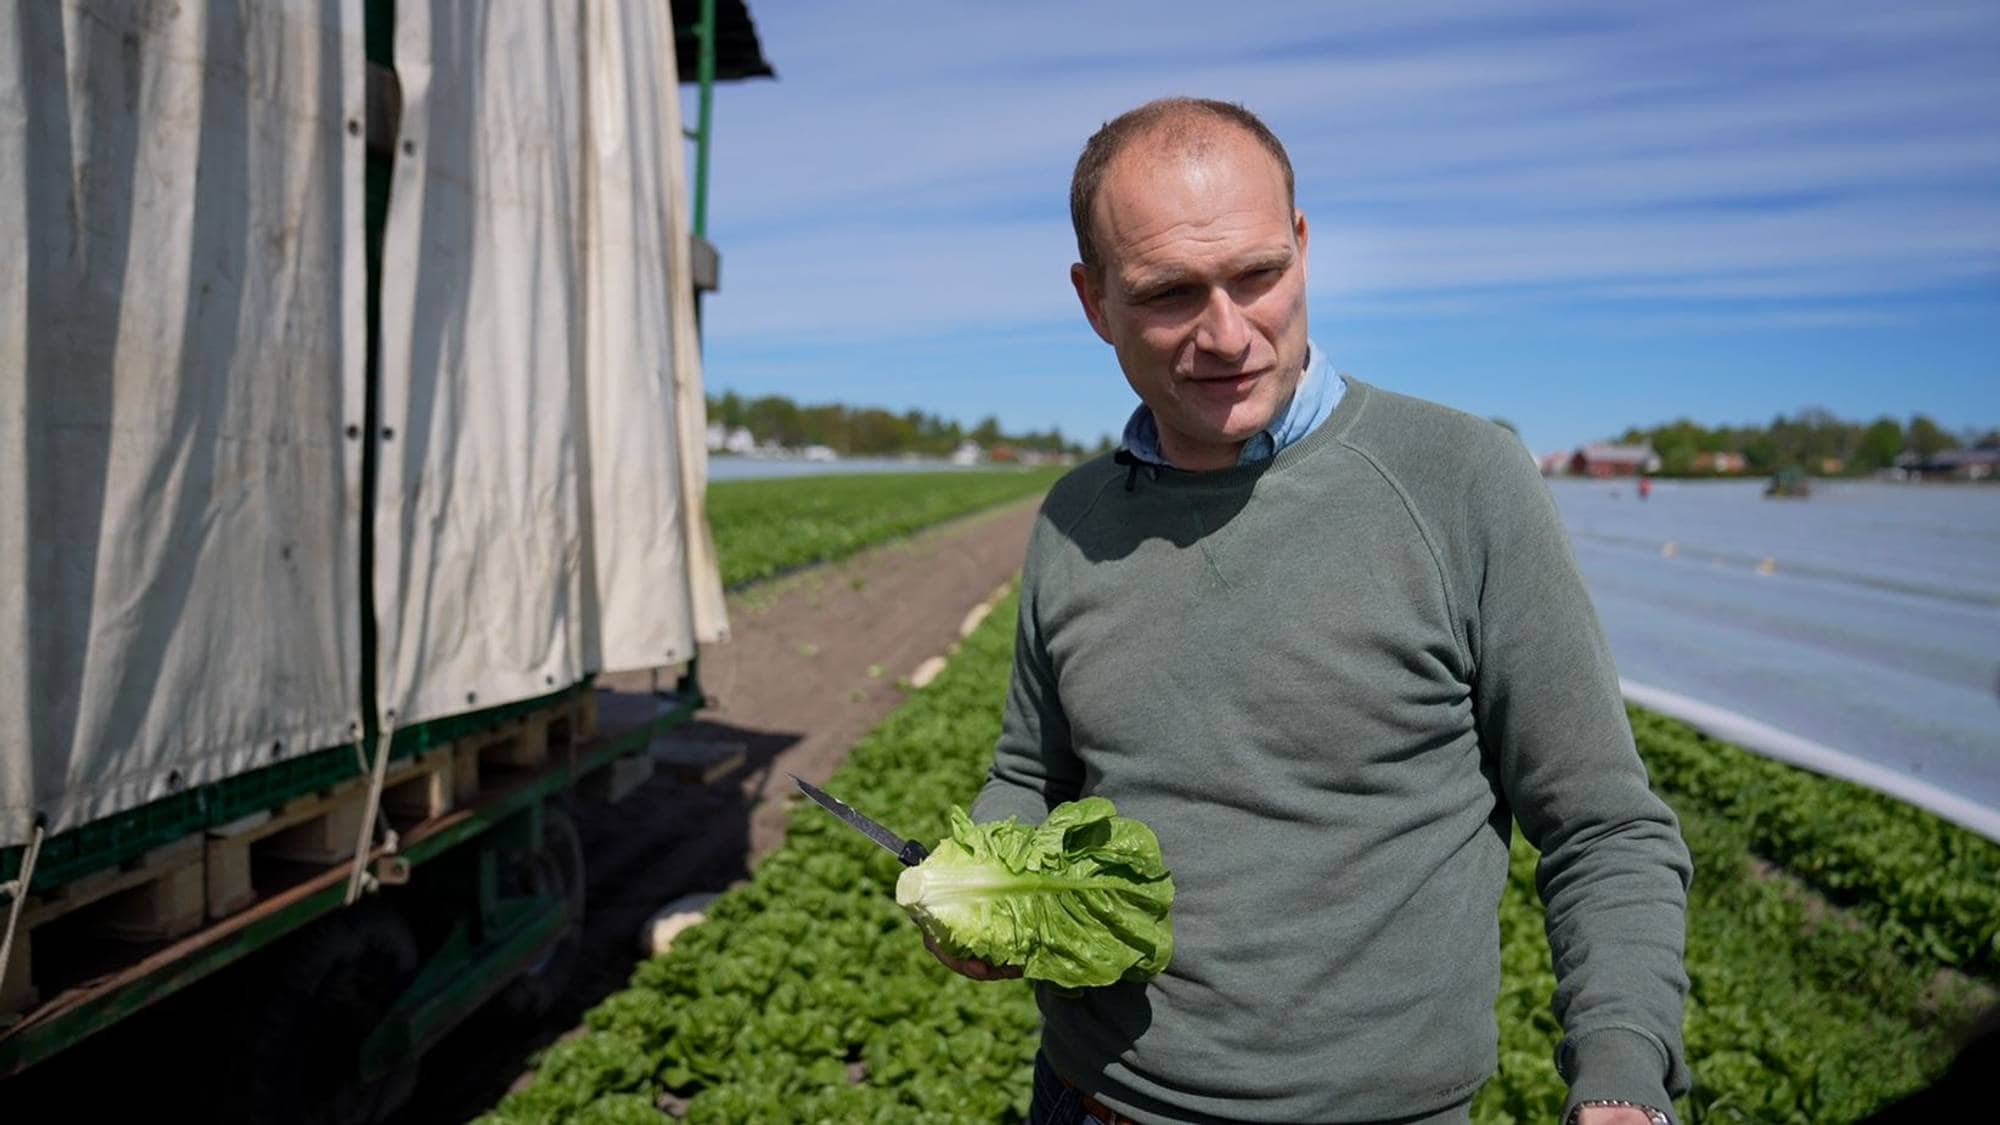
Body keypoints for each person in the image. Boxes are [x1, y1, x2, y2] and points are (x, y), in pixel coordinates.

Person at [931, 97, 1694, 1125]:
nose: (1225, 332)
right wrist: (980, 887)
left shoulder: (1459, 481)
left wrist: (1618, 1080)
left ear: (1301, 247)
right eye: (1166, 294)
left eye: (1256, 276)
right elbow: (1033, 773)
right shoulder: (1075, 517)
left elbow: (1601, 824)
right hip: (1091, 1101)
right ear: (1094, 301)